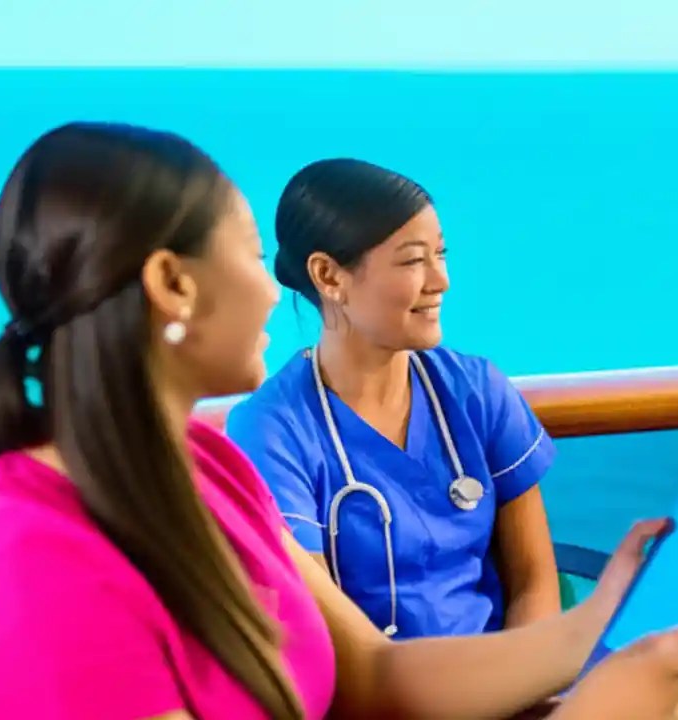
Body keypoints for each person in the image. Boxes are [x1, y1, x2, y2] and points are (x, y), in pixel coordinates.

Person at [0, 122, 678, 719]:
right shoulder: (32, 553)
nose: (272, 287)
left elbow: (373, 678)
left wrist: (598, 628)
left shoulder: (210, 471)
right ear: (172, 283)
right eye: (251, 255)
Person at [224, 158, 560, 639]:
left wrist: (529, 686)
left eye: (441, 255)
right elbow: (318, 634)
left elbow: (535, 583)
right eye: (412, 260)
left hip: (512, 680)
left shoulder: (476, 391)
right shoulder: (271, 431)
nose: (440, 280)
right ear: (329, 275)